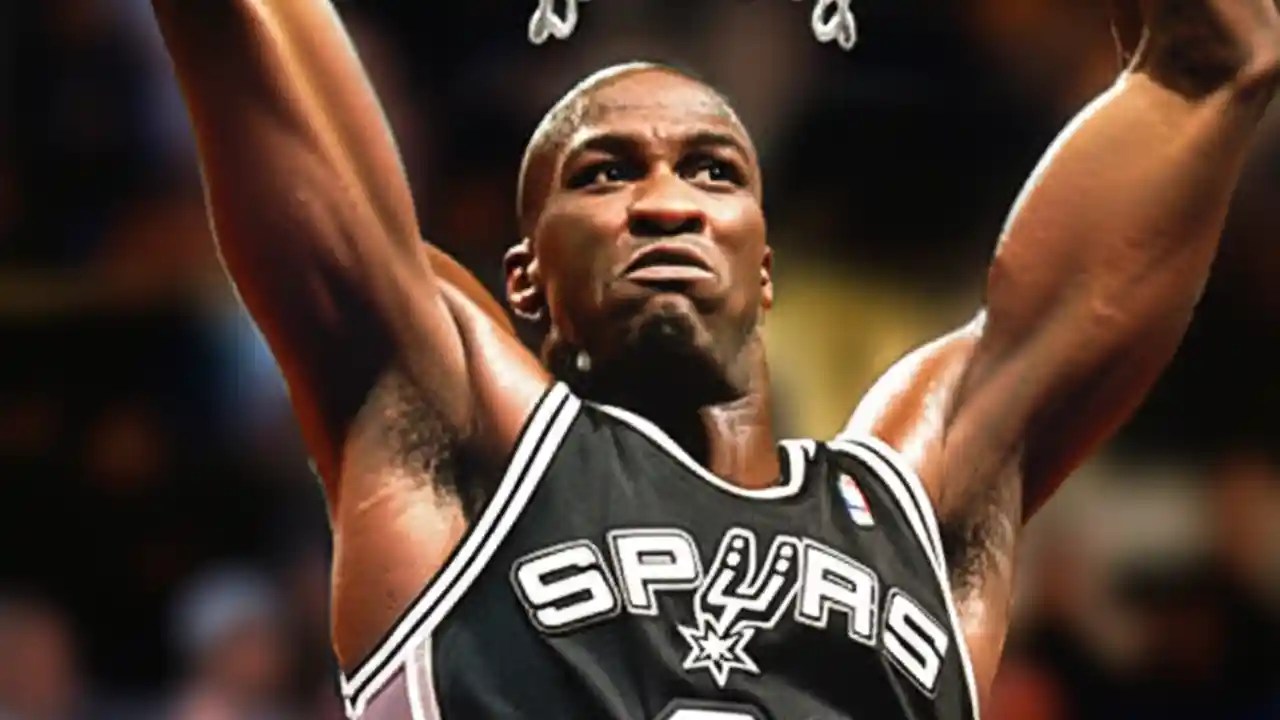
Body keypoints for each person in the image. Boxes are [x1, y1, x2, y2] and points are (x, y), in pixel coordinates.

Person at [146, 1, 1280, 718]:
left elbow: (1217, 60)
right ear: (526, 280)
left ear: (765, 262)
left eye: (711, 172)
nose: (662, 205)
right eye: (603, 175)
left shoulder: (920, 493)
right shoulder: (453, 432)